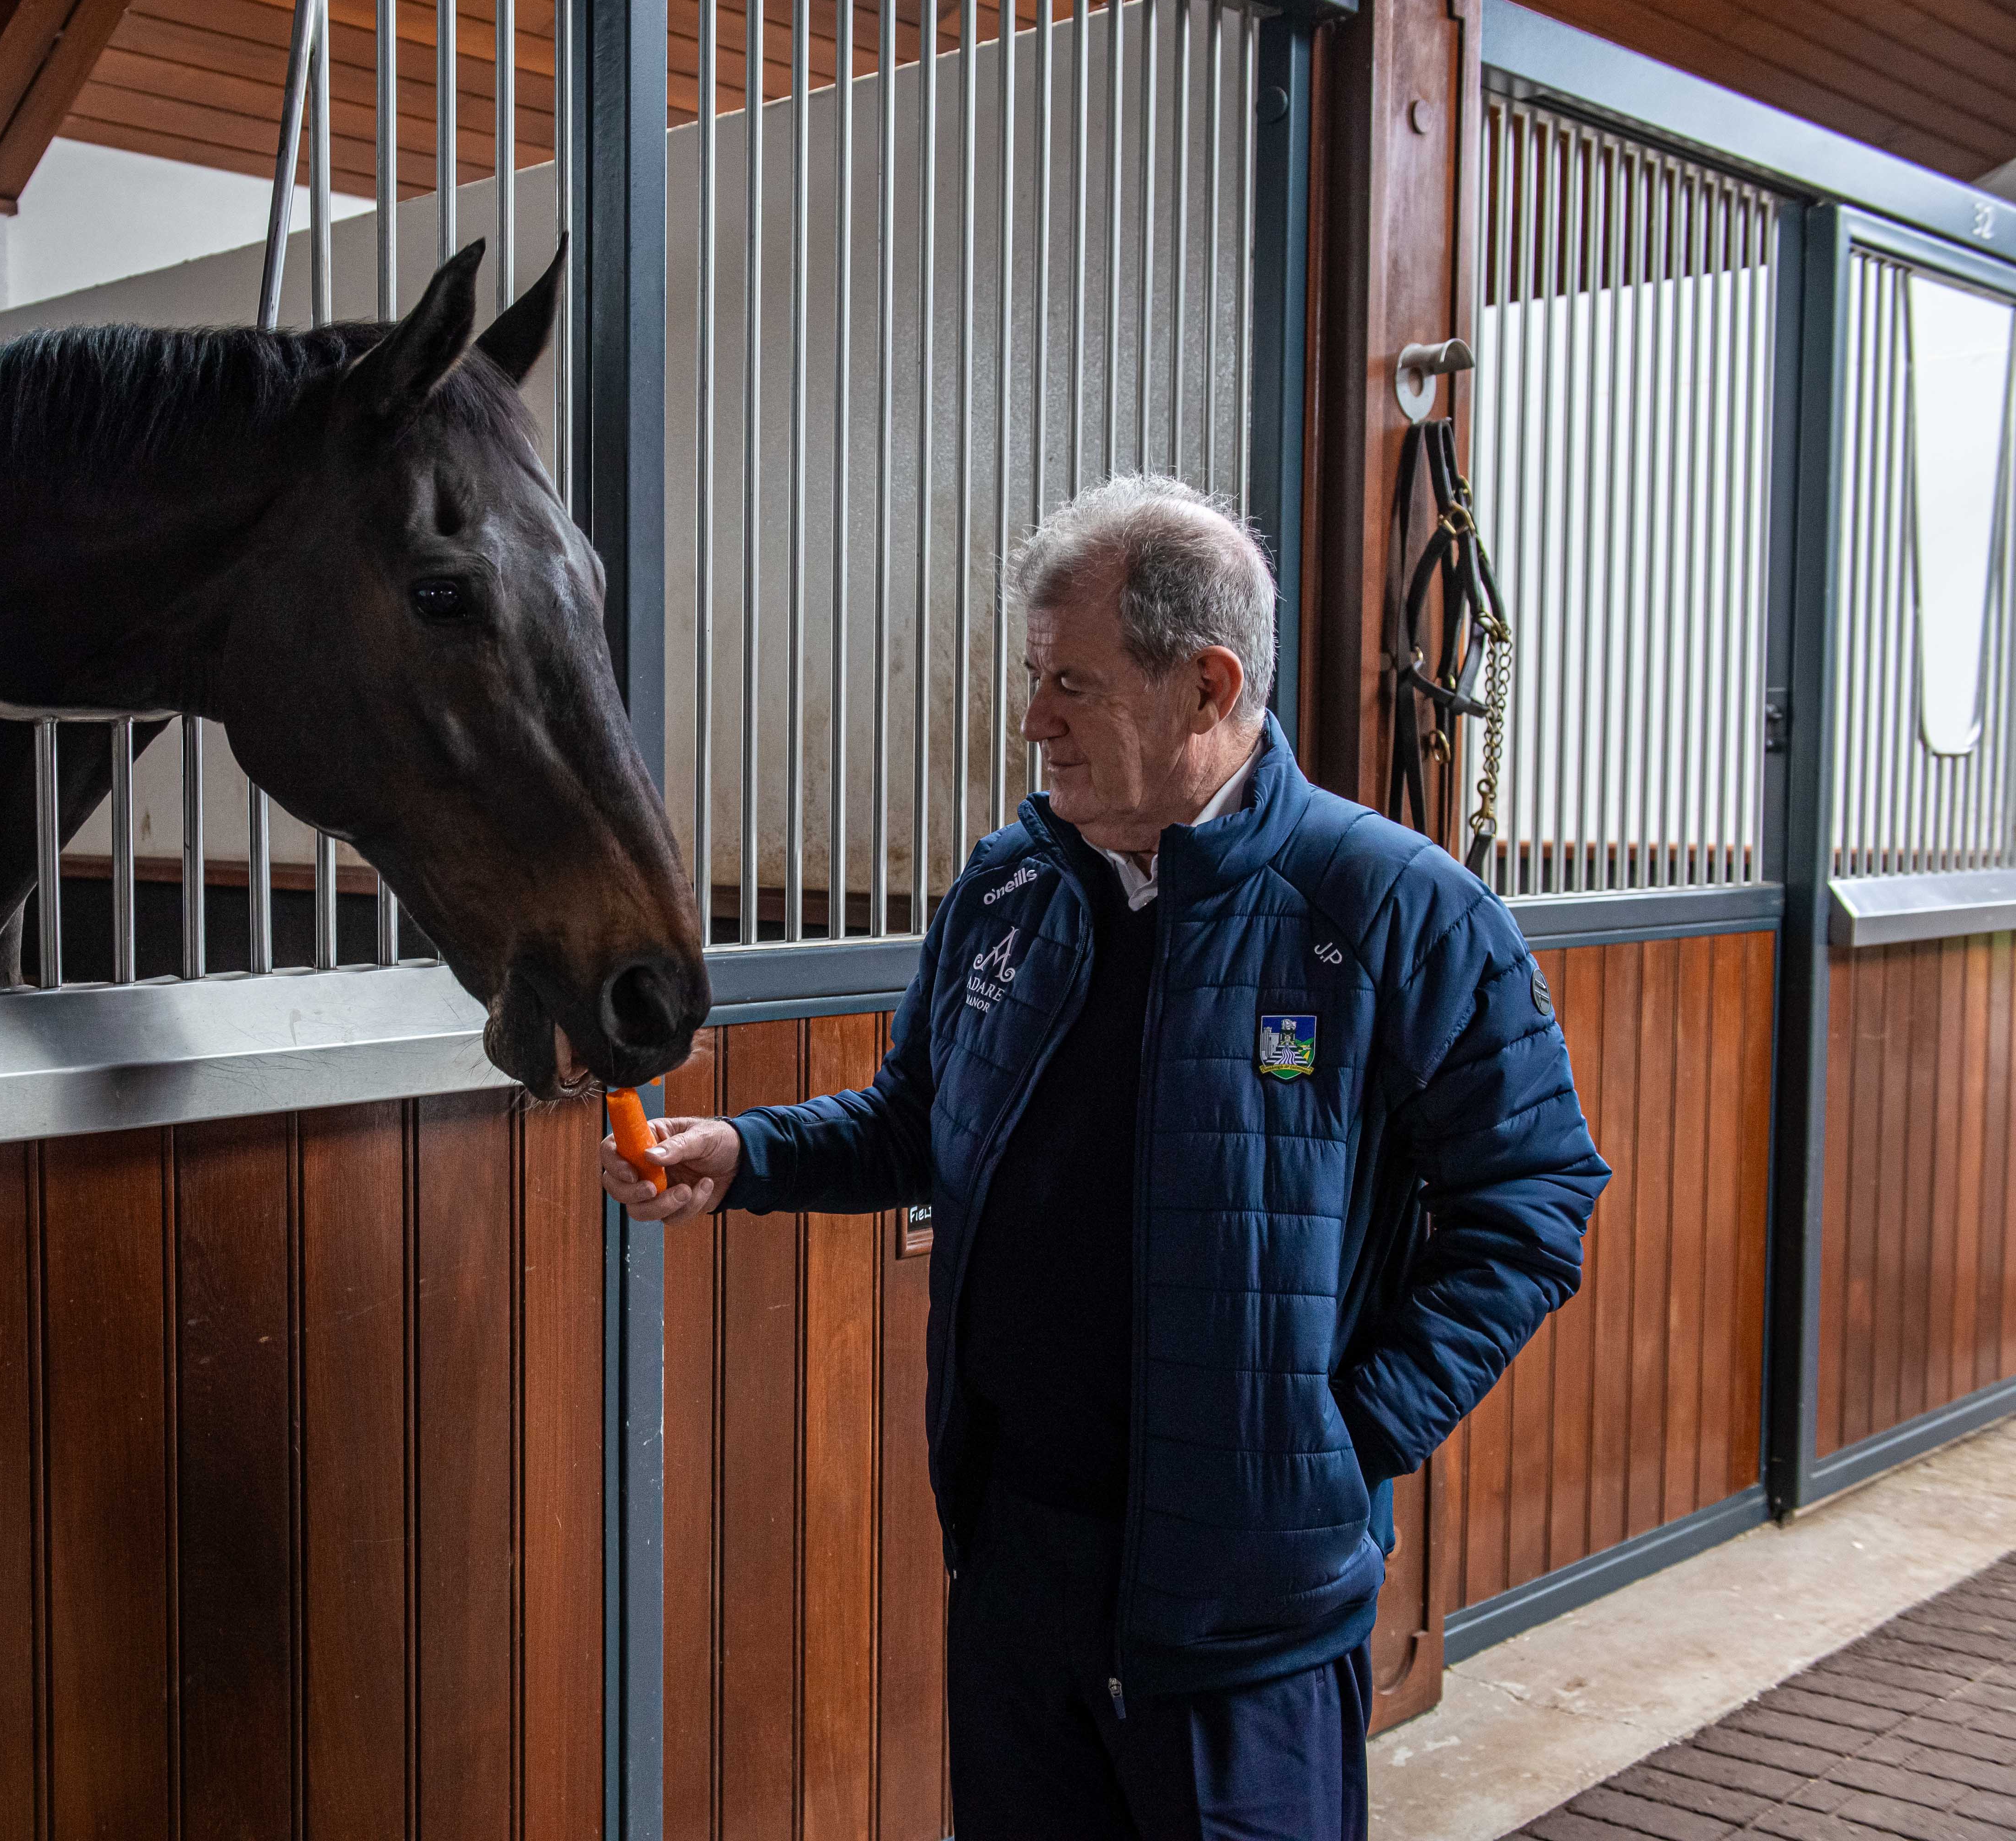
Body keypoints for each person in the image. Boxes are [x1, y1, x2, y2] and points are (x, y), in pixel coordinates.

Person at [599, 474, 1607, 1840]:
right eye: (1034, 679)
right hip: (1019, 1575)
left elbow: (1536, 1197)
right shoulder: (1013, 888)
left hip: (1241, 1608)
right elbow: (917, 1118)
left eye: (1070, 683)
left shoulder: (1392, 906)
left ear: (1206, 684)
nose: (1033, 723)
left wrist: (1345, 1434)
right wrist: (748, 1150)